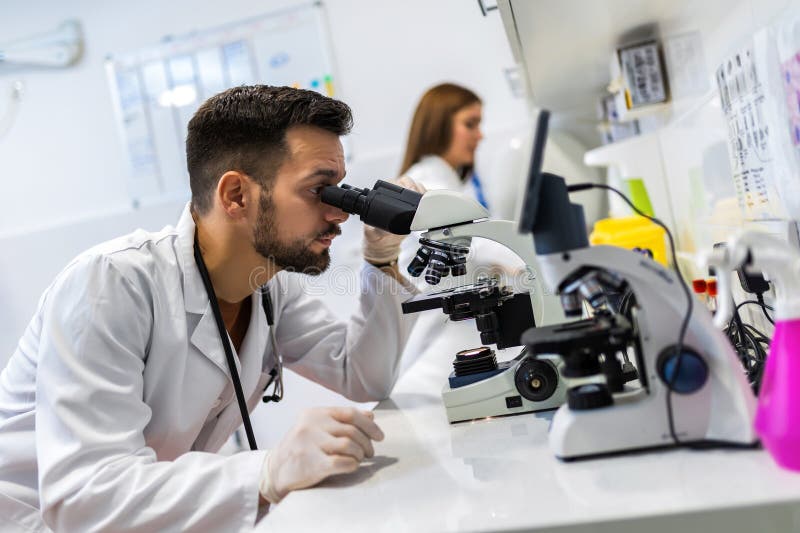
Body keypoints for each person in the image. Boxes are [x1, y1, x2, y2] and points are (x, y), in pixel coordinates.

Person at [0, 85, 423, 532]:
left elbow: (362, 374)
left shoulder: (266, 286)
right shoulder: (110, 284)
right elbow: (83, 497)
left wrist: (381, 260)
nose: (340, 214)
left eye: (339, 191)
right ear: (237, 195)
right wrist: (268, 470)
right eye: (320, 191)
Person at [399, 82, 487, 206]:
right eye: (470, 124)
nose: (480, 136)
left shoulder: (446, 181)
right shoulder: (430, 189)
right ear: (438, 126)